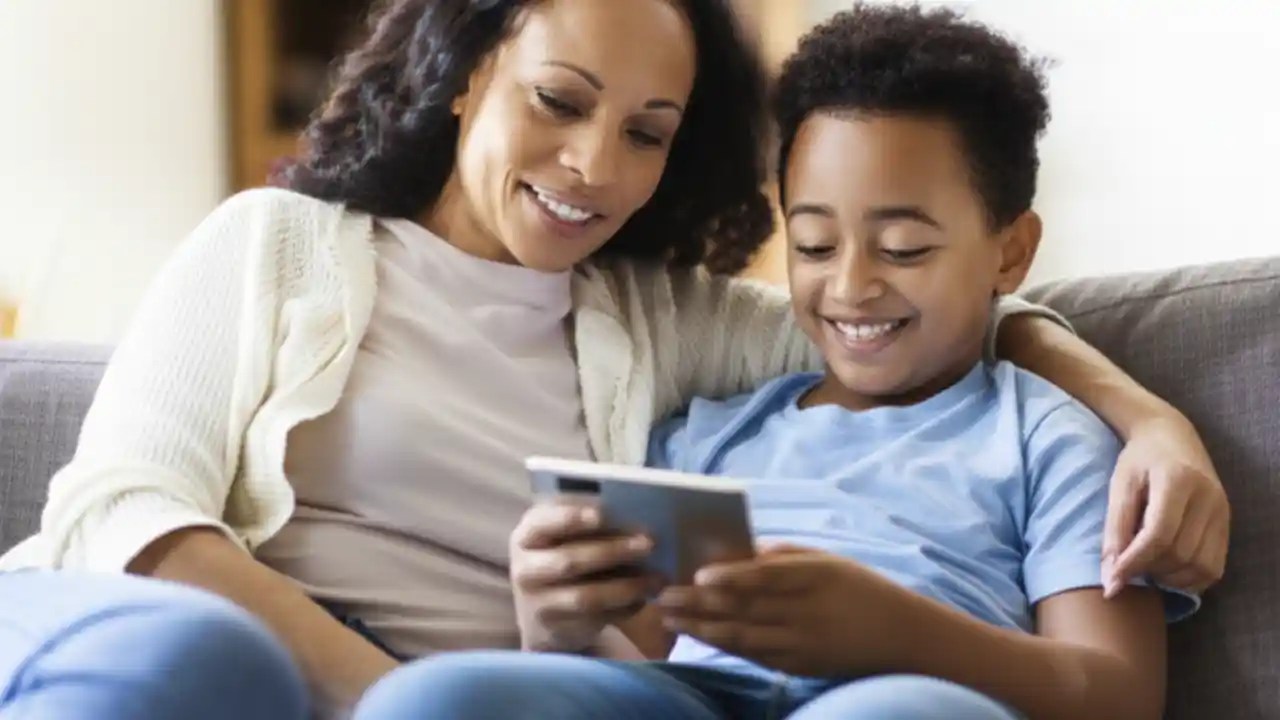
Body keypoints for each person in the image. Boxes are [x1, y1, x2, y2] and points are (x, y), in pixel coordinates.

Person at [0, 0, 1225, 718]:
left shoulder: (663, 325)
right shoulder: (277, 243)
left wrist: (1146, 419)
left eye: (646, 131)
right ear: (471, 70)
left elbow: (915, 338)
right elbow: (127, 509)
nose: (593, 164)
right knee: (199, 660)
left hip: (504, 694)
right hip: (179, 636)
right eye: (558, 100)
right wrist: (383, 692)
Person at [350, 5, 1200, 719]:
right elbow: (644, 650)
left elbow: (1116, 695)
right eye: (815, 243)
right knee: (437, 696)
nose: (852, 286)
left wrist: (897, 635)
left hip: (910, 697)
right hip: (694, 697)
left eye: (904, 249)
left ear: (1010, 254)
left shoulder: (1049, 437)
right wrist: (556, 619)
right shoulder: (710, 431)